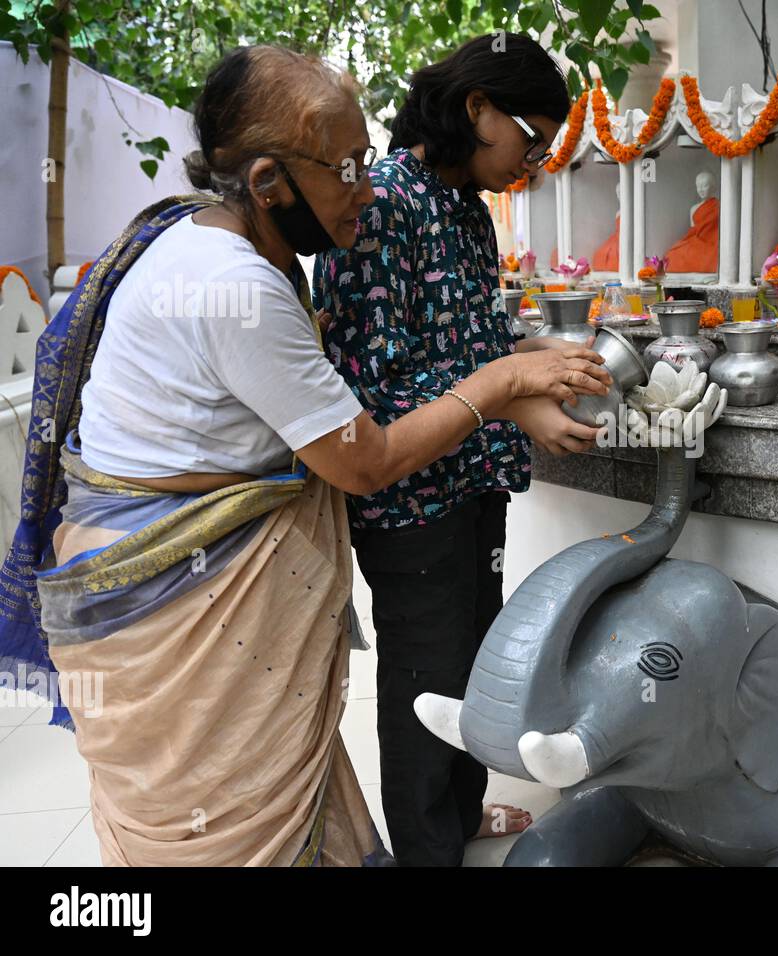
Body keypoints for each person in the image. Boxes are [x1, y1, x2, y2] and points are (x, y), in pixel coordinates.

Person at [0, 44, 609, 867]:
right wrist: (504, 384)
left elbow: (426, 354)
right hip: (211, 571)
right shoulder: (249, 282)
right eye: (348, 167)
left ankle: (444, 822)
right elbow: (363, 440)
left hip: (336, 524)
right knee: (379, 701)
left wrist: (515, 365)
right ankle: (431, 843)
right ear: (266, 183)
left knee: (446, 669)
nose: (362, 185)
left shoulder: (251, 253)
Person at [313, 32, 595, 866]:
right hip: (408, 494)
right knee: (422, 677)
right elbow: (369, 387)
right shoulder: (383, 201)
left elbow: (470, 352)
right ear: (478, 109)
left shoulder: (468, 211)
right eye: (531, 138)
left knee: (472, 661)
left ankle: (459, 812)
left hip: (470, 483)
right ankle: (426, 847)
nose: (535, 161)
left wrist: (533, 386)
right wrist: (514, 397)